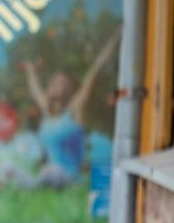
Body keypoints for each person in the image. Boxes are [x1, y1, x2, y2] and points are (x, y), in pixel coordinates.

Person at [19, 27, 121, 187]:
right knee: (9, 169)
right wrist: (30, 69)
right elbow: (35, 88)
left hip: (68, 176)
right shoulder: (47, 113)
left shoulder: (74, 112)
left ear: (69, 89)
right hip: (49, 173)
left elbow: (94, 72)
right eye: (53, 82)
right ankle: (31, 184)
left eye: (60, 83)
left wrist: (115, 38)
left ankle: (34, 184)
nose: (54, 86)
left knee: (50, 172)